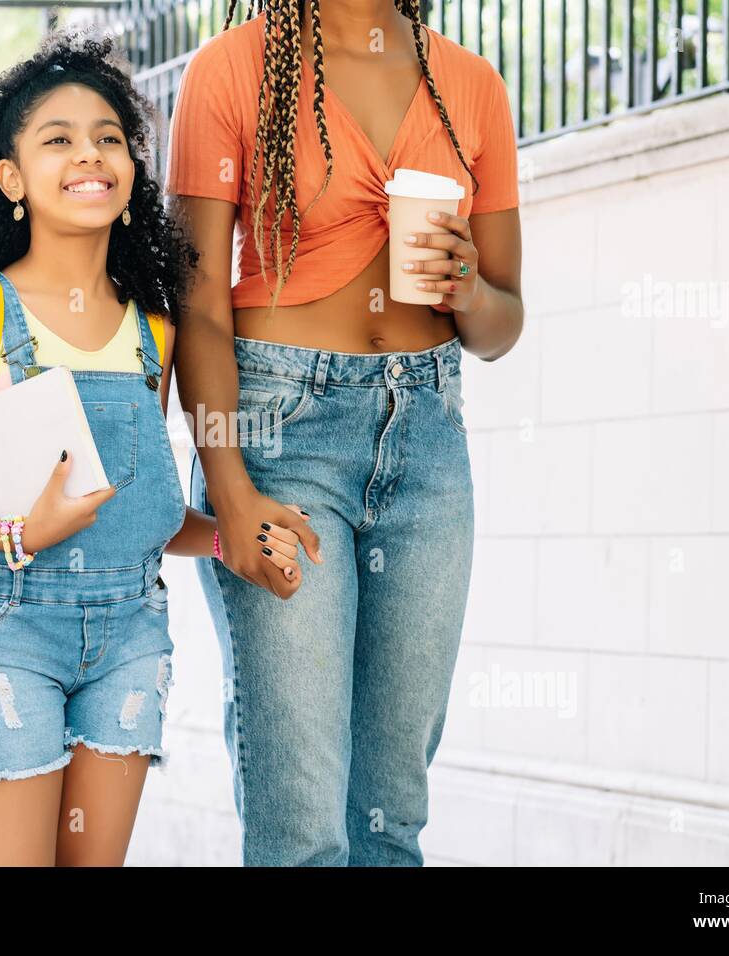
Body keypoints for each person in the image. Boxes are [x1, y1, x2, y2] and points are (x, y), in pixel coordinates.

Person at [0, 29, 308, 866]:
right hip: (3, 629)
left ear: (132, 171)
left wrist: (232, 541)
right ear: (12, 179)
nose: (90, 154)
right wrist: (17, 533)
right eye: (57, 140)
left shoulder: (154, 334)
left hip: (132, 633)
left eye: (109, 138)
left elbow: (136, 509)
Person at [166, 0, 525, 865]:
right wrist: (230, 493)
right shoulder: (231, 68)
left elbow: (503, 324)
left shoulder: (471, 84)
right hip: (279, 433)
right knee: (302, 826)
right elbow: (199, 303)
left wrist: (469, 288)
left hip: (428, 434)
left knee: (390, 816)